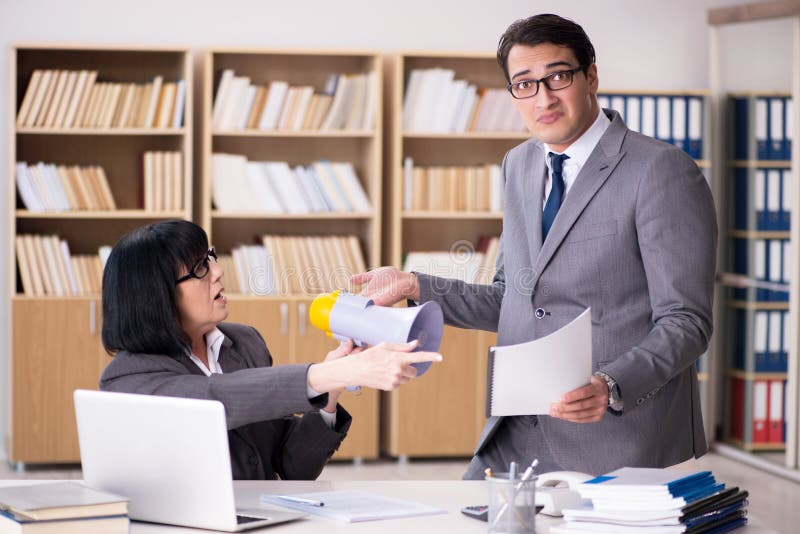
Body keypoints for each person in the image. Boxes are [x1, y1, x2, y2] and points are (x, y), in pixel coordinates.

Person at [353, 13, 717, 478]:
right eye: (524, 84)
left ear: (591, 77)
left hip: (618, 436)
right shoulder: (519, 164)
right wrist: (412, 284)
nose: (543, 98)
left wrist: (612, 385)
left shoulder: (660, 171)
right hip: (517, 432)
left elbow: (687, 321)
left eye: (558, 77)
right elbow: (515, 297)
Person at [99, 220, 441, 480]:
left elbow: (292, 469)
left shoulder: (245, 342)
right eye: (200, 268)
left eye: (211, 258)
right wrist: (335, 373)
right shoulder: (128, 376)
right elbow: (214, 398)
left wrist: (331, 393)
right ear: (155, 295)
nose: (218, 272)